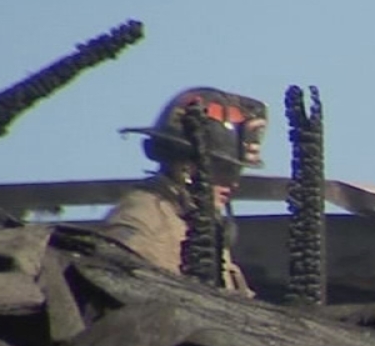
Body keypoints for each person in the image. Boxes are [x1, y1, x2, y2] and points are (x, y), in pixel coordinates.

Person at [102, 87, 266, 295]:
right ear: (185, 166)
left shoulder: (196, 222)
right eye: (225, 170)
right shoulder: (146, 222)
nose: (234, 184)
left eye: (237, 173)